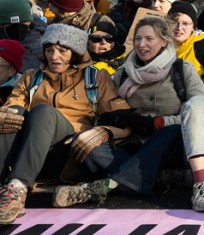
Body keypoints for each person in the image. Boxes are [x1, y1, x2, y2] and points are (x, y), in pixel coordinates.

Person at [53, 16, 204, 213]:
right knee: (89, 147)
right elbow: (109, 109)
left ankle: (104, 186)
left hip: (176, 143)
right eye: (138, 39)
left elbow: (200, 112)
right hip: (135, 144)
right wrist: (113, 123)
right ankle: (157, 176)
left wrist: (156, 123)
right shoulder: (123, 73)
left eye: (149, 39)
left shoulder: (181, 69)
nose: (141, 44)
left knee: (170, 131)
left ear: (164, 41)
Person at [0, 24, 129, 224]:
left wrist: (104, 132)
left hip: (67, 153)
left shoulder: (96, 78)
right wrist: (5, 113)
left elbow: (122, 119)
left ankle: (17, 187)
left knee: (43, 112)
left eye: (62, 50)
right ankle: (7, 188)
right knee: (12, 114)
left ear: (75, 52)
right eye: (49, 50)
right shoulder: (31, 77)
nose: (54, 57)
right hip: (30, 154)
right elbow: (12, 106)